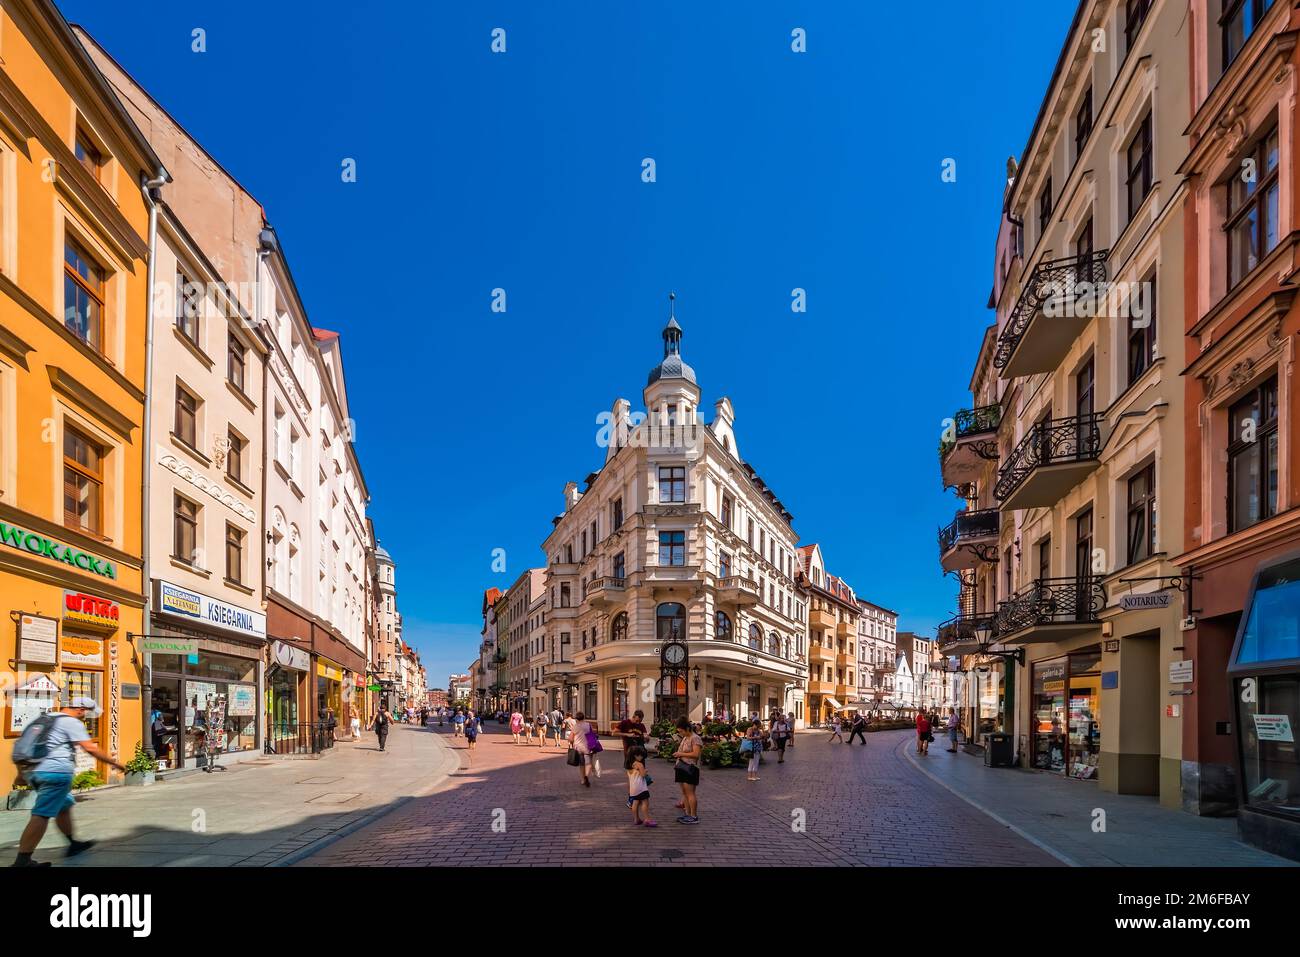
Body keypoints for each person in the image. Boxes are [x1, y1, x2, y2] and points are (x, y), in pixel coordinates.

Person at [13, 697, 126, 866]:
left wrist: (21, 774)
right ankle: (22, 860)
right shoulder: (71, 723)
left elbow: (22, 746)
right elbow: (90, 747)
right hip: (56, 773)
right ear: (80, 709)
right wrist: (115, 763)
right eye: (86, 713)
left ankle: (73, 844)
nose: (85, 717)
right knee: (42, 814)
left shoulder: (43, 719)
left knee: (64, 806)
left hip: (34, 771)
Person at [671, 716, 702, 824]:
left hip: (690, 768)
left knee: (690, 793)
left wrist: (680, 754)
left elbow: (696, 754)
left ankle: (693, 816)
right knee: (685, 793)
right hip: (682, 767)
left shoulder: (695, 738)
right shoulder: (685, 738)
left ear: (687, 728)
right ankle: (688, 814)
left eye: (681, 731)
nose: (681, 733)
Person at [626, 745, 656, 827]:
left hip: (633, 788)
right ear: (636, 755)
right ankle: (647, 819)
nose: (642, 757)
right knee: (645, 802)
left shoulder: (630, 765)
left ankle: (636, 819)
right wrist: (645, 771)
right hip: (641, 787)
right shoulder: (639, 764)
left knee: (635, 802)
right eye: (641, 755)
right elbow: (642, 775)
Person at [572, 712, 600, 786]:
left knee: (581, 764)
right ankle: (586, 776)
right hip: (587, 747)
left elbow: (570, 738)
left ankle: (582, 780)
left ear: (576, 718)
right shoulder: (588, 725)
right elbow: (592, 734)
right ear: (583, 717)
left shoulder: (575, 726)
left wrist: (572, 741)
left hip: (578, 748)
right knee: (588, 763)